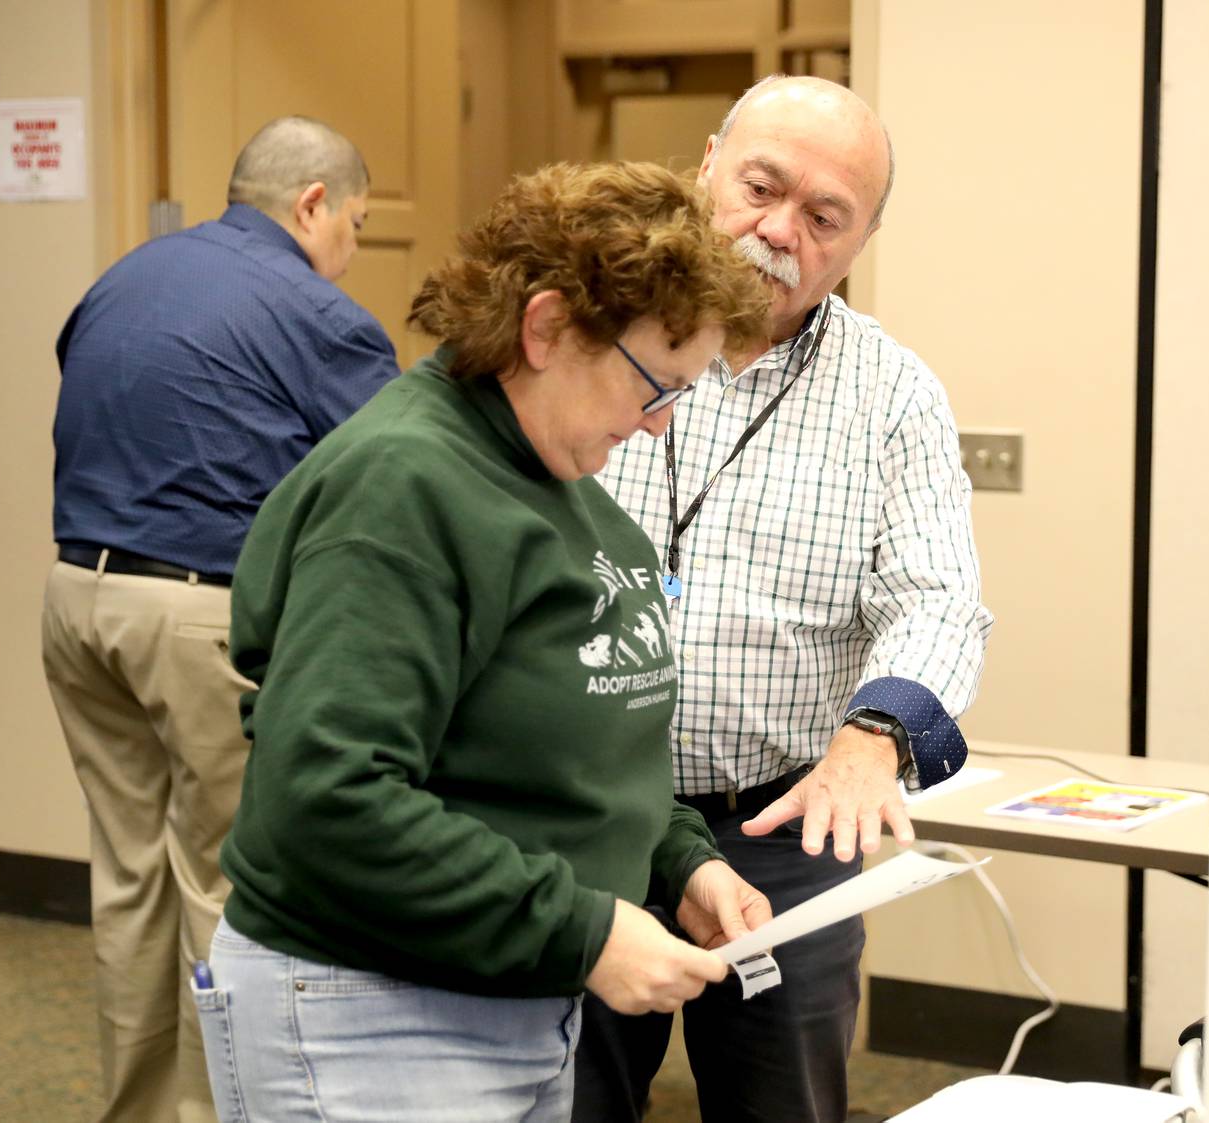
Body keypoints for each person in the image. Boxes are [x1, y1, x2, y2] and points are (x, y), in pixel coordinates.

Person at [192, 161, 775, 1123]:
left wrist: (680, 860)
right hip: (368, 1009)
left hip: (511, 999)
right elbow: (326, 798)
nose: (659, 425)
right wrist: (584, 929)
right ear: (545, 328)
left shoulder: (557, 478)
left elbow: (569, 743)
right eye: (652, 386)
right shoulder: (404, 485)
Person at [577, 76, 996, 1123]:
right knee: (563, 1097)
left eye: (824, 218)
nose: (778, 232)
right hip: (587, 810)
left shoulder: (892, 393)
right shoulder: (591, 342)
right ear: (706, 165)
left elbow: (939, 601)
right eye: (761, 188)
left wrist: (874, 736)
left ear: (860, 243)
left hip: (780, 827)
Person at [40, 116, 399, 1123]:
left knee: (129, 880)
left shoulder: (127, 275)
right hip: (196, 617)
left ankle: (144, 1112)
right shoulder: (317, 314)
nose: (351, 250)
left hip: (77, 603)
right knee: (224, 887)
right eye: (356, 224)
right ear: (313, 204)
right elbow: (401, 467)